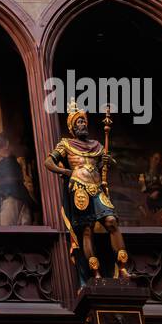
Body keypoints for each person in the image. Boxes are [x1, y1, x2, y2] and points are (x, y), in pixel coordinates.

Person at [44, 102, 131, 281]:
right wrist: (67, 172)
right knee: (86, 230)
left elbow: (99, 167)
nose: (82, 125)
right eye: (78, 122)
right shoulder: (66, 144)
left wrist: (103, 162)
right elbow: (48, 163)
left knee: (111, 221)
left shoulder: (97, 145)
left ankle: (122, 267)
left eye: (84, 121)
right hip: (79, 189)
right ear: (72, 127)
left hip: (97, 188)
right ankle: (95, 273)